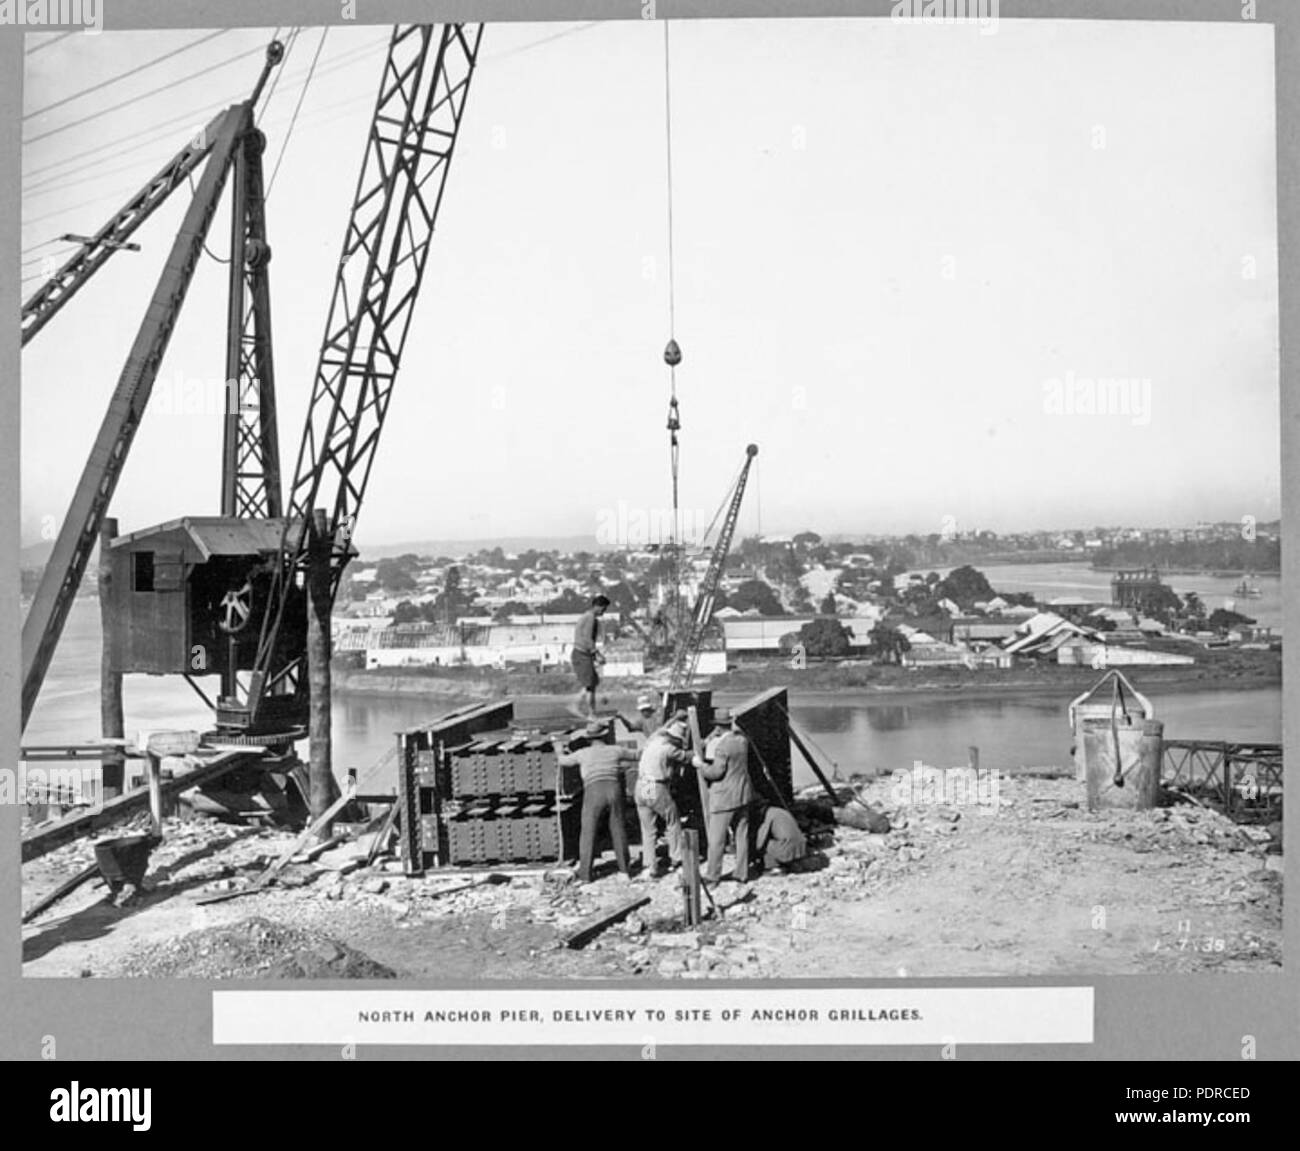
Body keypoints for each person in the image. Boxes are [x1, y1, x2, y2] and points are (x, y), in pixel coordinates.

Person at [553, 719, 639, 883]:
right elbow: (636, 755)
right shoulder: (616, 750)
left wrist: (558, 750)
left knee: (588, 832)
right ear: (605, 736)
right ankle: (624, 871)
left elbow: (563, 761)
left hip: (593, 791)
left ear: (588, 738)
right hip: (613, 789)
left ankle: (586, 875)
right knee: (618, 828)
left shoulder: (582, 753)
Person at [696, 707, 754, 884]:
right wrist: (717, 732)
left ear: (718, 727)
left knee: (716, 839)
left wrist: (700, 765)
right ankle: (742, 873)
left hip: (724, 798)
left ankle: (713, 876)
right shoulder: (742, 741)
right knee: (741, 835)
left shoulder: (722, 746)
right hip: (743, 794)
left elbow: (715, 773)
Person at [634, 717, 693, 877]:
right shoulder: (669, 749)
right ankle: (677, 859)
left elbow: (662, 729)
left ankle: (649, 867)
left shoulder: (652, 741)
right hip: (654, 785)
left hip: (641, 785)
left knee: (648, 829)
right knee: (673, 821)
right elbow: (687, 757)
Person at [570, 594, 610, 717]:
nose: (604, 611)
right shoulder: (590, 618)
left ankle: (578, 705)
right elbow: (587, 639)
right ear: (598, 606)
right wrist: (597, 654)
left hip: (583, 654)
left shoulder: (588, 617)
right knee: (590, 686)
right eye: (604, 608)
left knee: (593, 682)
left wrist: (593, 656)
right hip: (581, 654)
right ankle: (590, 713)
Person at [754, 803, 807, 873]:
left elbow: (760, 841)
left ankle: (774, 868)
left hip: (787, 847)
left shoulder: (768, 816)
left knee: (765, 844)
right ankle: (792, 863)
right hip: (801, 847)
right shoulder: (780, 811)